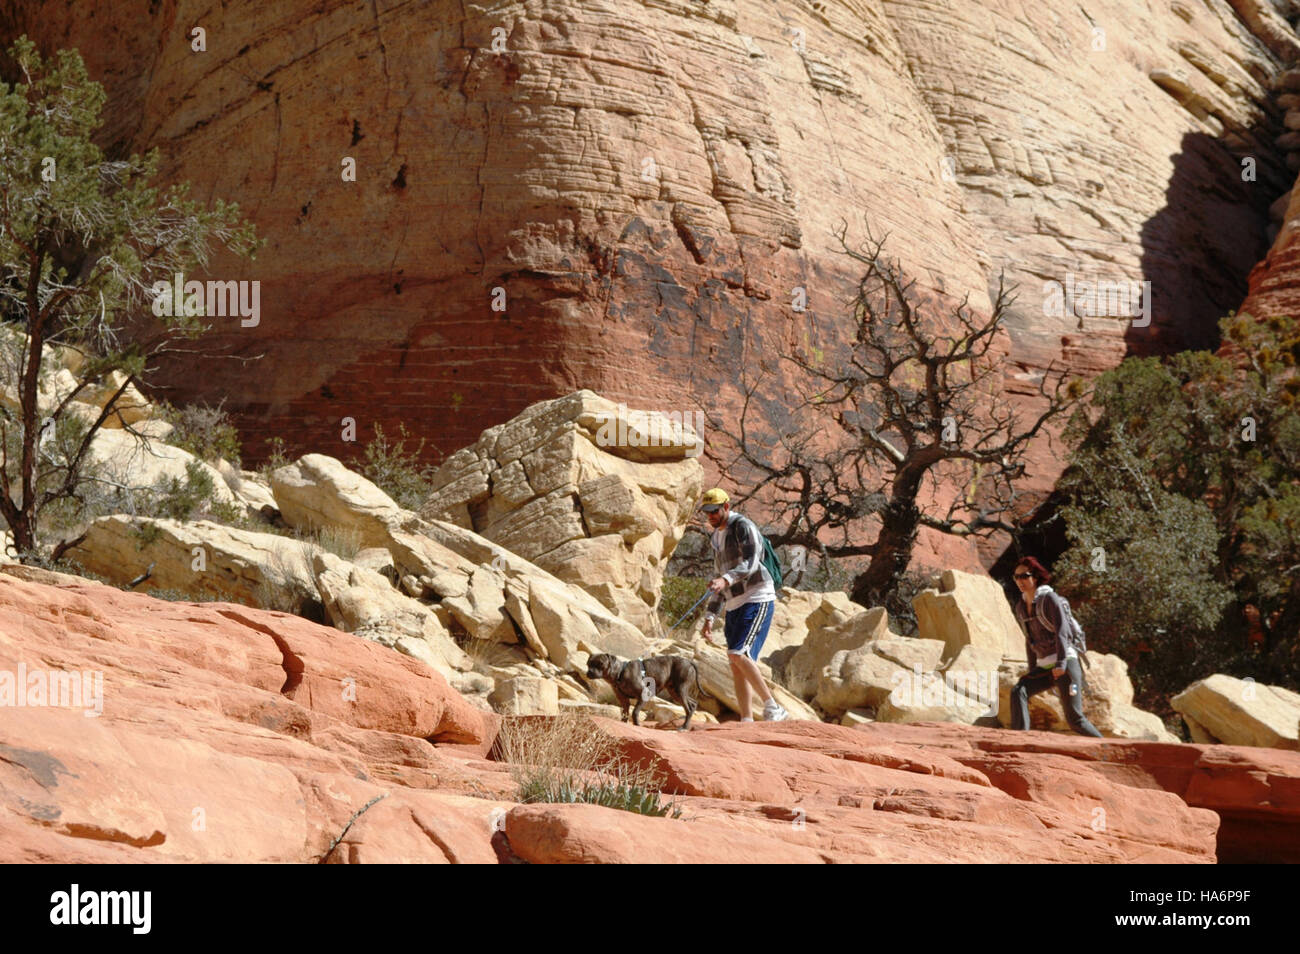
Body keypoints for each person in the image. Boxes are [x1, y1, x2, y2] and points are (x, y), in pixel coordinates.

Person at [697, 488, 789, 722]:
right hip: (734, 603)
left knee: (739, 653)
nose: (711, 516)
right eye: (707, 512)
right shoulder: (715, 537)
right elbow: (719, 576)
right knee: (734, 660)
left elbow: (751, 561)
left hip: (757, 596)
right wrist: (710, 616)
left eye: (714, 511)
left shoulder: (743, 526)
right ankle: (746, 719)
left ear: (726, 506)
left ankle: (773, 707)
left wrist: (725, 579)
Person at [1008, 556, 1101, 737]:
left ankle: (1109, 750)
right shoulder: (1020, 606)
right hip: (1044, 668)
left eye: (1024, 576)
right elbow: (1029, 639)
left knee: (1075, 718)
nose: (1020, 581)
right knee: (1018, 691)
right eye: (1016, 577)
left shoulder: (1050, 599)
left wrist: (1061, 663)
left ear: (1035, 577)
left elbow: (1062, 632)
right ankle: (1019, 740)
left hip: (1067, 667)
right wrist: (1031, 670)